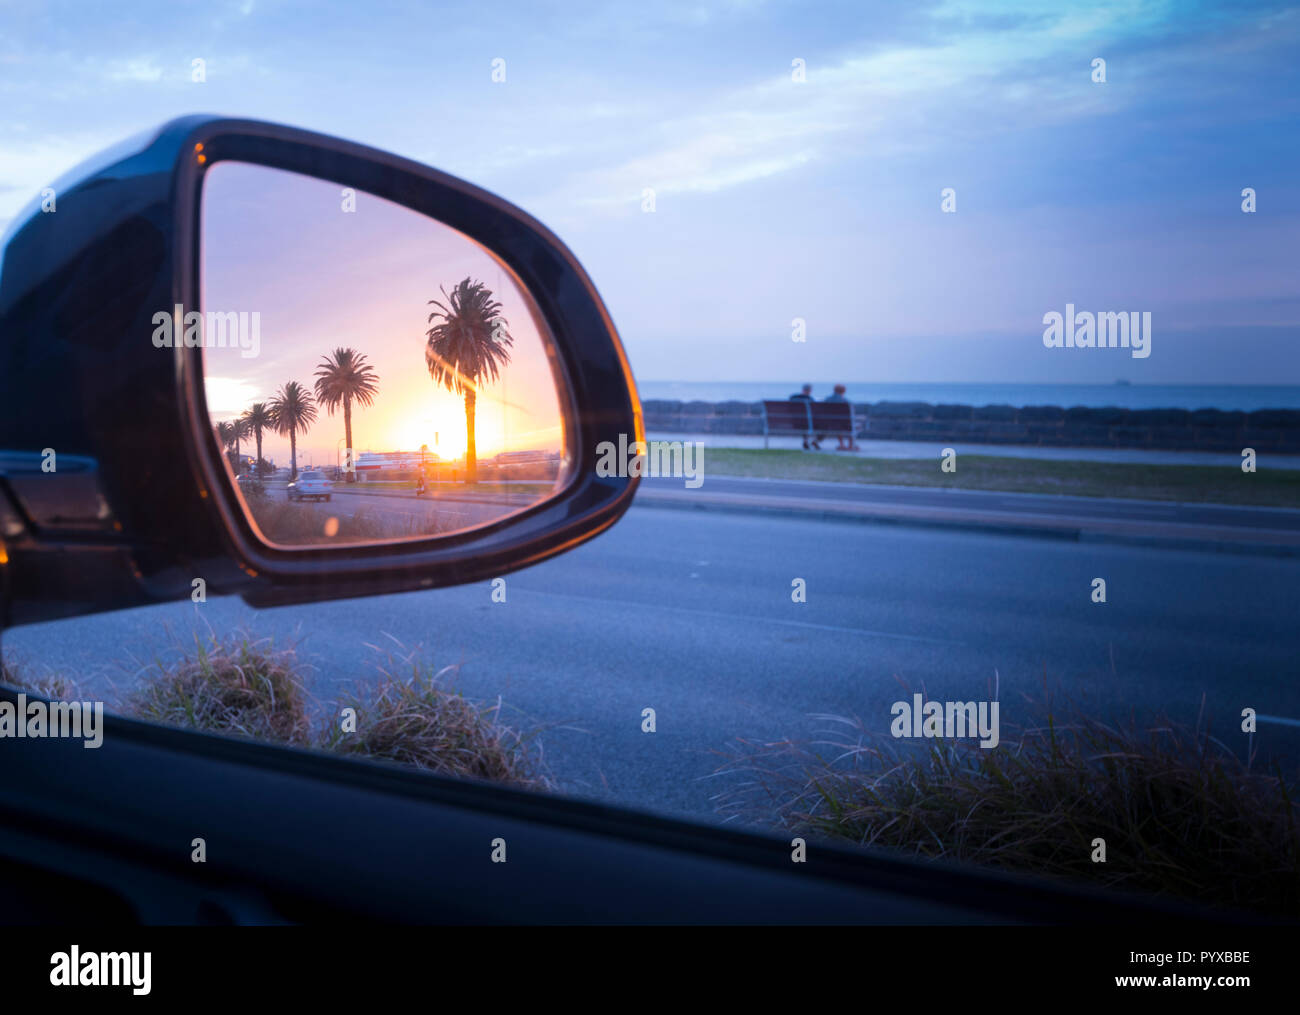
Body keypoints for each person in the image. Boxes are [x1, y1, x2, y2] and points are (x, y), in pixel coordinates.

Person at [822, 384, 859, 450]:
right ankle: (850, 446)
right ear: (843, 391)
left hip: (830, 423)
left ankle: (842, 445)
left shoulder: (827, 399)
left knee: (838, 425)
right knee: (850, 425)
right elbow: (851, 413)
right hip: (844, 424)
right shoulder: (846, 401)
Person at [788, 384, 817, 449]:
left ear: (803, 389)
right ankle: (814, 441)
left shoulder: (793, 398)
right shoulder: (810, 399)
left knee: (805, 422)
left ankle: (806, 441)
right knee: (809, 422)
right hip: (807, 422)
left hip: (794, 421)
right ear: (810, 391)